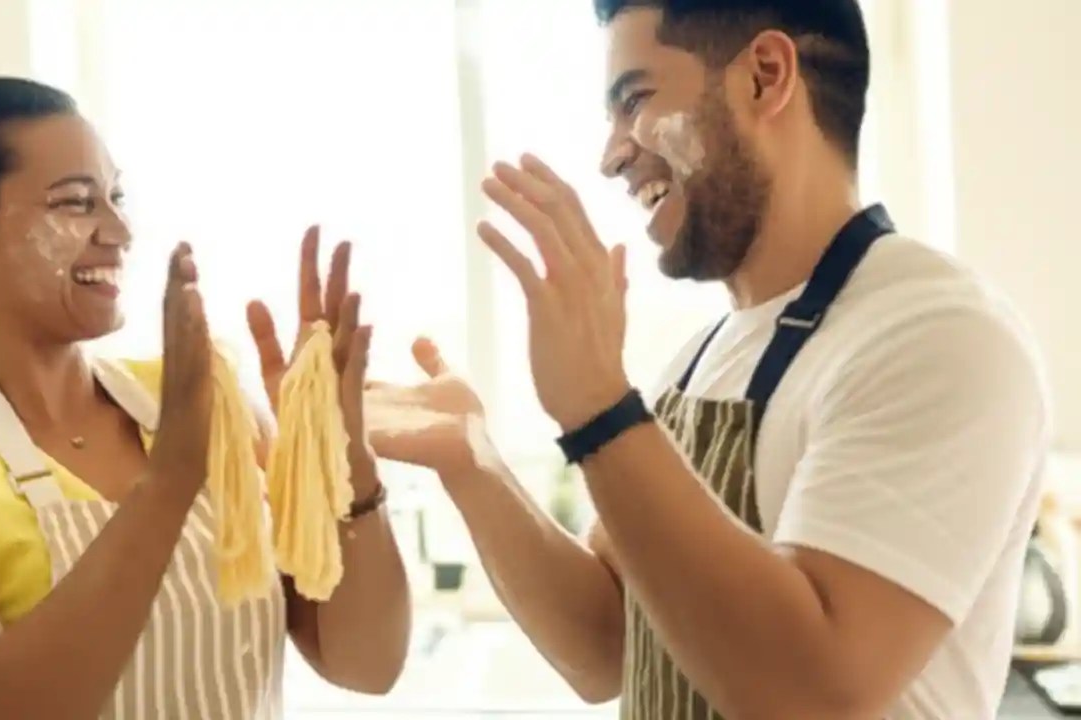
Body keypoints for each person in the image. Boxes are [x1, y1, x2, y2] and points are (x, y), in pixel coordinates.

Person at [366, 1, 1050, 718]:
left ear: (764, 76)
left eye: (634, 99)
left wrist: (597, 406)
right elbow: (605, 642)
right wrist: (474, 465)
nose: (612, 155)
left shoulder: (935, 335)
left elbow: (811, 697)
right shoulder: (701, 361)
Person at [0, 76, 410, 720]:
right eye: (76, 204)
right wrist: (169, 483)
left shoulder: (201, 398)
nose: (121, 230)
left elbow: (367, 664)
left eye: (116, 196)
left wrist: (344, 455)